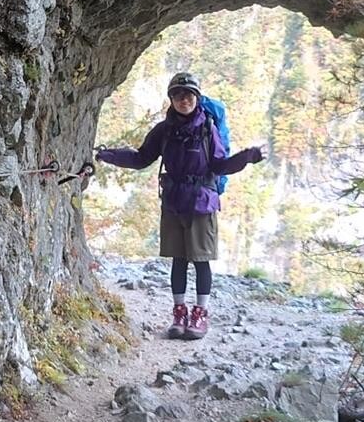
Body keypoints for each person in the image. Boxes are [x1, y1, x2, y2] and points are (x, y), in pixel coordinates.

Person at [95, 71, 264, 339]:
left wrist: (247, 157)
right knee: (178, 260)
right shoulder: (165, 130)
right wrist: (108, 155)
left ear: (196, 98)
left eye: (187, 95)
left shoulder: (208, 128)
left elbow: (220, 164)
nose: (183, 99)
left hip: (201, 203)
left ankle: (199, 315)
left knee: (201, 261)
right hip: (174, 203)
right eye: (177, 95)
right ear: (171, 99)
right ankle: (179, 313)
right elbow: (141, 158)